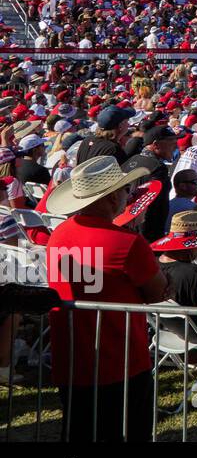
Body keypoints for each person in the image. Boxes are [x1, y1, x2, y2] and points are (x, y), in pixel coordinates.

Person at [45, 156, 170, 441]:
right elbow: (157, 292)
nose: (128, 195)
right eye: (125, 189)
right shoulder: (127, 243)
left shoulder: (58, 236)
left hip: (72, 357)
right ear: (113, 196)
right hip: (121, 360)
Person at [151, 210, 197, 308]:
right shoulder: (195, 273)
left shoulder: (151, 266)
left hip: (159, 322)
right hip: (191, 323)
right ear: (192, 247)